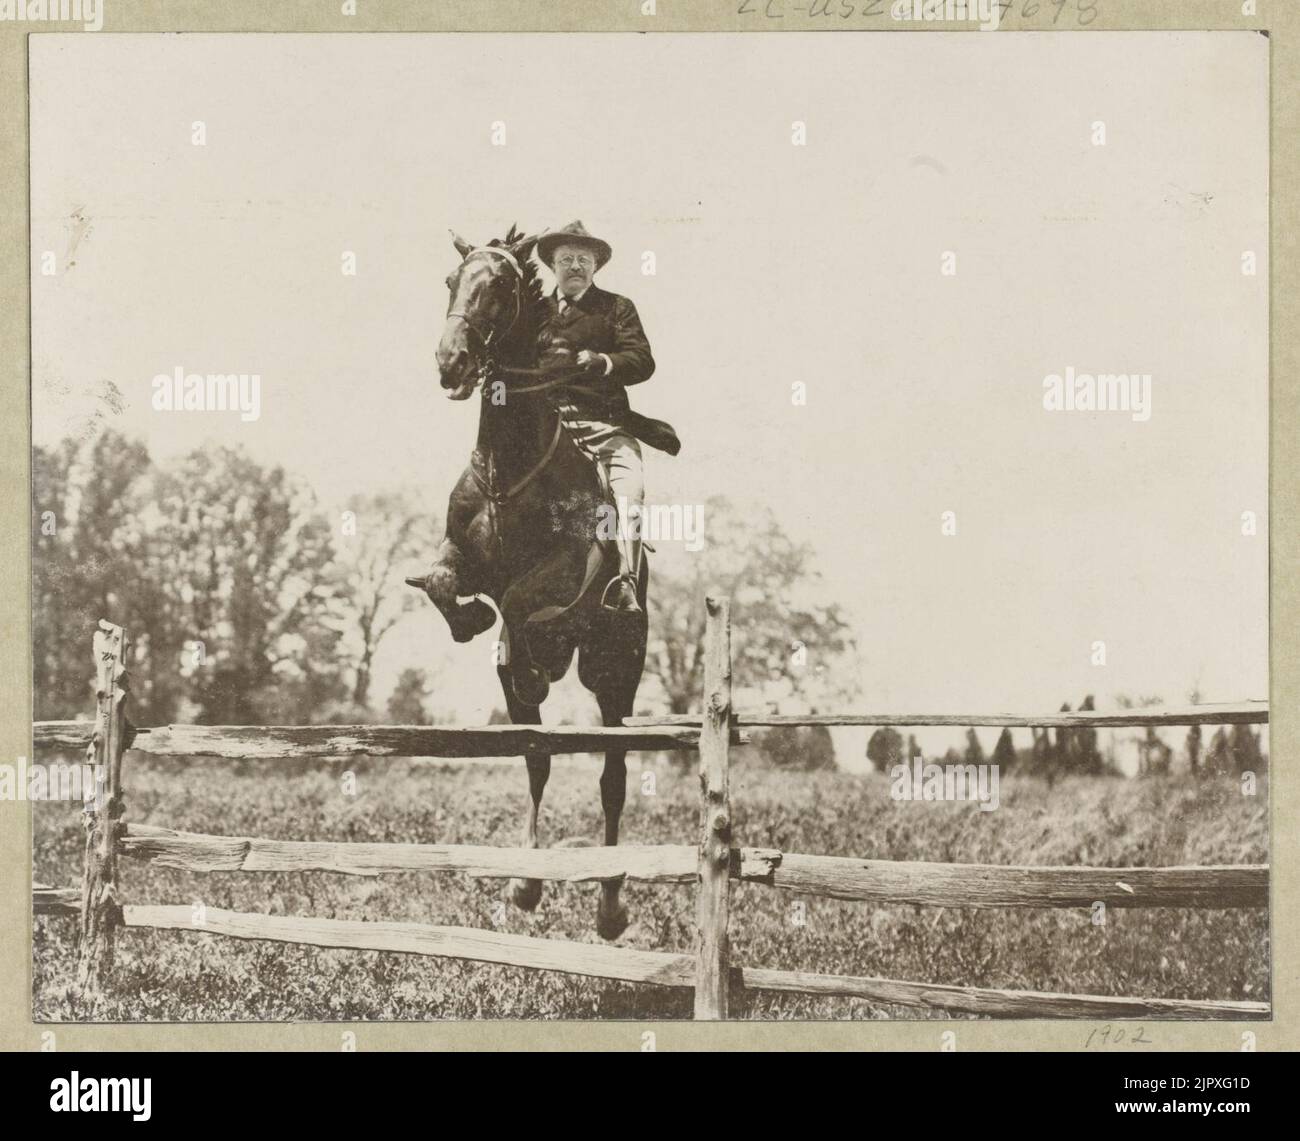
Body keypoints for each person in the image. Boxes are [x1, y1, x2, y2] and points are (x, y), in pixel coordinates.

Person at [535, 221, 662, 614]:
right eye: (566, 259)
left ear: (595, 267)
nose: (575, 266)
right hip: (542, 427)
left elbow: (642, 360)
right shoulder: (535, 313)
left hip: (603, 427)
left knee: (630, 490)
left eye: (583, 260)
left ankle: (625, 580)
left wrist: (604, 361)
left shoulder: (616, 307)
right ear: (552, 266)